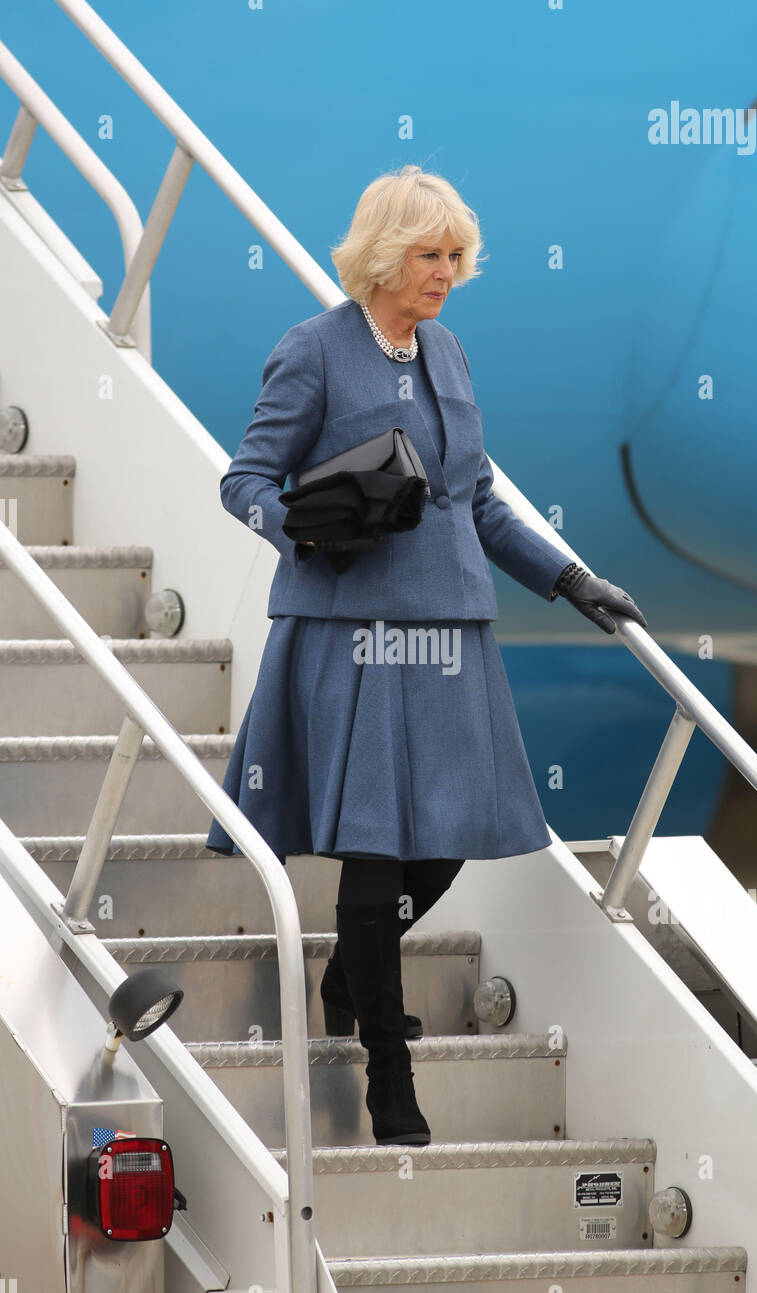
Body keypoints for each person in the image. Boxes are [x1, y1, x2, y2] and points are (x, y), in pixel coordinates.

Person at [206, 164, 647, 1147]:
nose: (447, 272)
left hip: (450, 631)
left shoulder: (446, 350)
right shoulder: (314, 352)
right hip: (354, 636)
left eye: (455, 255)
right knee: (374, 861)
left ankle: (343, 972)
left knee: (443, 845)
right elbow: (244, 481)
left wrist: (571, 579)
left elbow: (477, 499)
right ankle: (387, 1083)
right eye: (429, 255)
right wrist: (304, 535)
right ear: (382, 254)